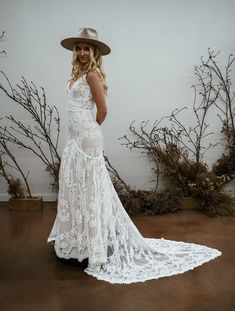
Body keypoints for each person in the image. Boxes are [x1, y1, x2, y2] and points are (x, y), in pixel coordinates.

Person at [47, 27, 221, 284]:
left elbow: (103, 110)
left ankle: (91, 246)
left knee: (90, 190)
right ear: (75, 51)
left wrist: (88, 131)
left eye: (87, 48)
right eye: (79, 48)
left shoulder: (92, 75)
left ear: (94, 52)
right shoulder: (76, 74)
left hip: (87, 140)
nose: (82, 52)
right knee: (75, 188)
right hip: (73, 139)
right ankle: (77, 241)